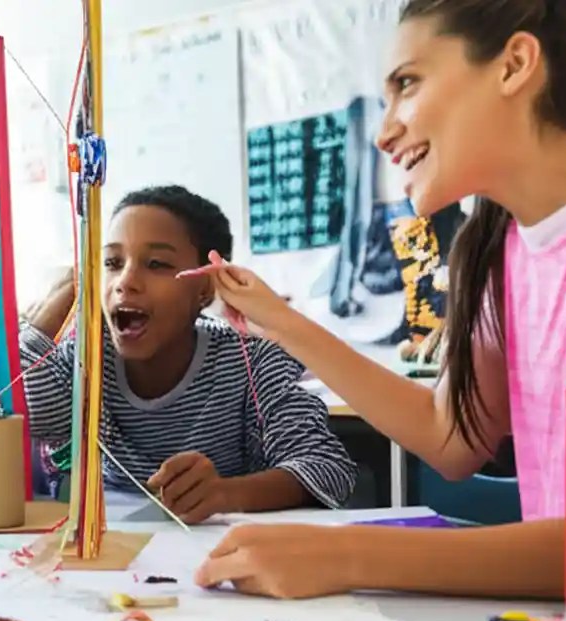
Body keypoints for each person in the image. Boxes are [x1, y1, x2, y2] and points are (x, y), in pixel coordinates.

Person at [193, 0, 566, 599]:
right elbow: (451, 437)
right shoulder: (499, 255)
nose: (383, 133)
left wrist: (351, 553)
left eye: (407, 84)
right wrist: (279, 321)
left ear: (514, 64)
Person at [20, 186, 357, 523]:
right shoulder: (90, 357)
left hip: (217, 550)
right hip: (119, 555)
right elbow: (26, 413)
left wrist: (226, 494)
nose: (125, 281)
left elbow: (327, 468)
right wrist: (62, 296)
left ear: (204, 289)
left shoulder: (251, 361)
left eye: (156, 264)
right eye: (112, 263)